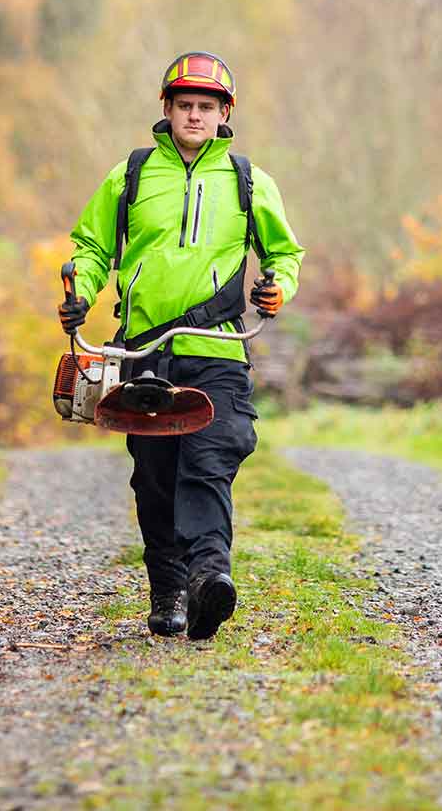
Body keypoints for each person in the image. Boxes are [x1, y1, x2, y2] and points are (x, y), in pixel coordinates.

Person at [60, 51, 305, 641]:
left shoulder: (249, 182)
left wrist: (276, 290)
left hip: (218, 347)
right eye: (185, 105)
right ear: (166, 109)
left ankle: (209, 578)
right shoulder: (132, 175)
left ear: (225, 115)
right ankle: (168, 590)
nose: (195, 115)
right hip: (142, 350)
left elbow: (284, 256)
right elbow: (91, 247)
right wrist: (81, 290)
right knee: (155, 474)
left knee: (211, 458)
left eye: (207, 106)